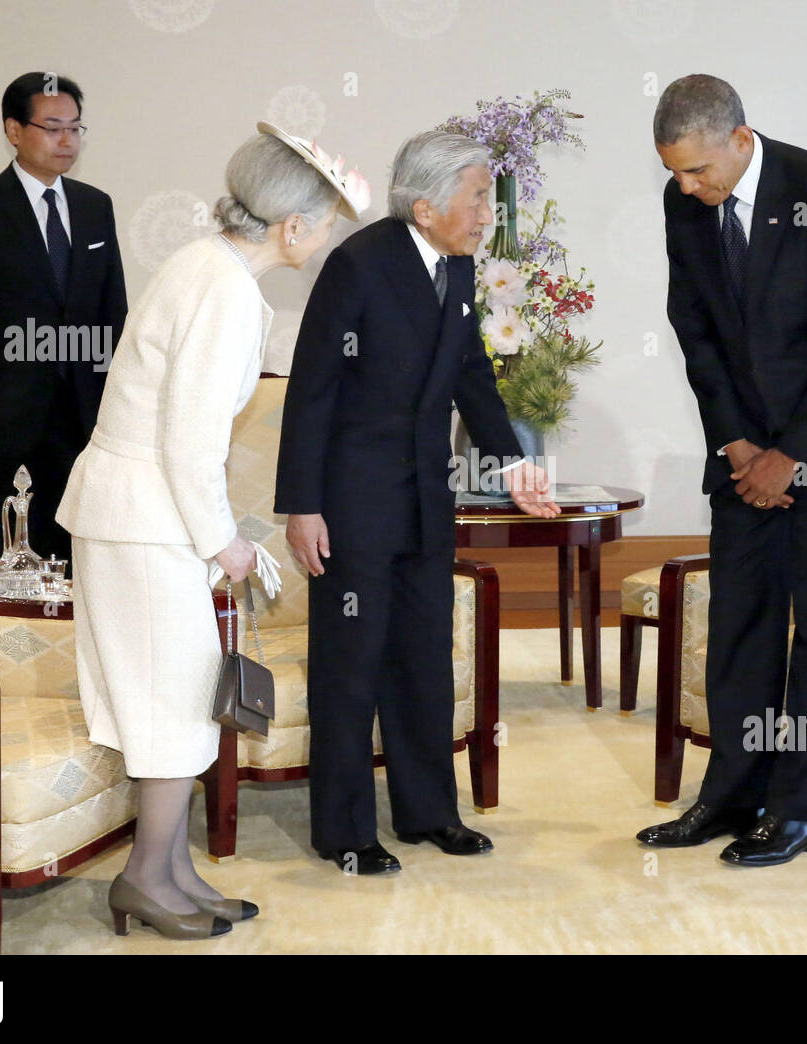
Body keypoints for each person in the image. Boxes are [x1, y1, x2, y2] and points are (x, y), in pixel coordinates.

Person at [55, 124, 363, 936]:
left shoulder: (207, 266)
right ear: (292, 225)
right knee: (170, 704)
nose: (327, 235)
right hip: (144, 521)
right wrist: (224, 542)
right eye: (326, 218)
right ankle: (145, 879)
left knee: (184, 699)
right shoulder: (222, 288)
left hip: (140, 516)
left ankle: (173, 869)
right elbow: (189, 442)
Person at [636, 75, 807, 867]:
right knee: (741, 626)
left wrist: (793, 455)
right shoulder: (685, 201)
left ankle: (798, 807)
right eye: (675, 172)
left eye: (697, 171)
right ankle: (730, 792)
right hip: (747, 452)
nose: (686, 187)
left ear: (739, 139)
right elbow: (695, 326)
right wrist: (739, 444)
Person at [275, 130, 559, 876]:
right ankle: (342, 831)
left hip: (427, 503)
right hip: (351, 505)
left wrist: (514, 465)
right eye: (474, 198)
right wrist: (301, 505)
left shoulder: (459, 268)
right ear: (426, 205)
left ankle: (430, 813)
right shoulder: (358, 265)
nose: (485, 214)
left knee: (424, 661)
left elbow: (472, 375)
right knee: (352, 666)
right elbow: (313, 389)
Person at [0, 71, 127, 577]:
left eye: (76, 128)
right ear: (14, 130)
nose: (67, 141)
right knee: (6, 557)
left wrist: (121, 405)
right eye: (53, 127)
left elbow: (113, 311)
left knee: (80, 555)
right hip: (2, 416)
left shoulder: (94, 206)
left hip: (84, 415)